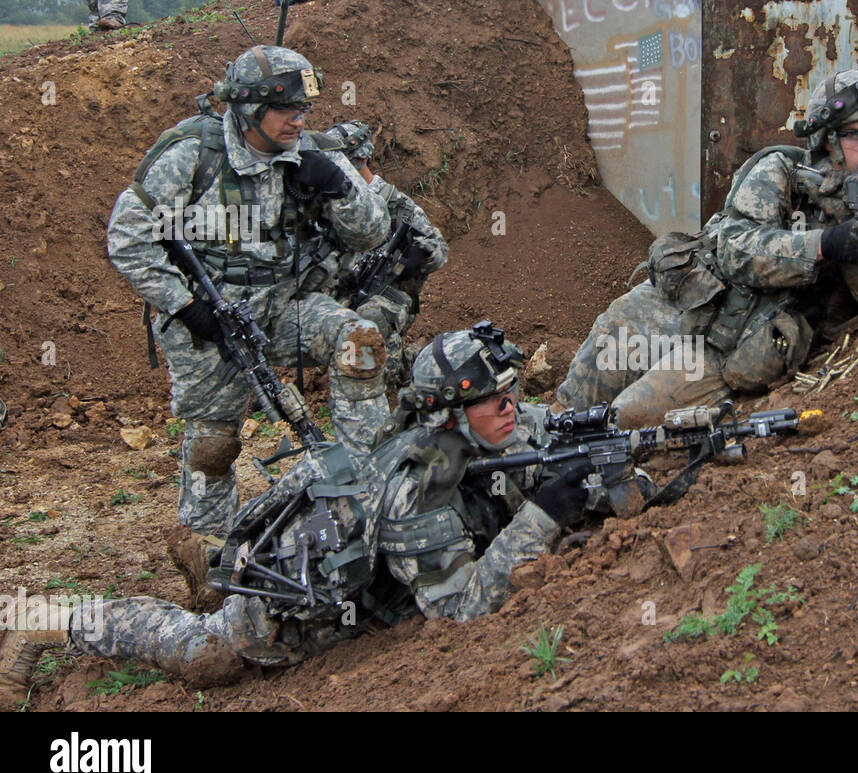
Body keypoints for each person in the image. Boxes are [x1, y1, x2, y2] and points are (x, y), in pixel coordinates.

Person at [0, 325, 594, 701]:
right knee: (207, 656)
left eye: (514, 389)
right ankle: (47, 619)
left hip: (364, 575)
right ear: (450, 415)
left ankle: (208, 562)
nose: (513, 406)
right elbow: (460, 611)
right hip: (295, 606)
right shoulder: (419, 489)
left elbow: (552, 436)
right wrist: (542, 518)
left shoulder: (495, 429)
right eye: (494, 398)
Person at [106, 45, 392, 543]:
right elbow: (128, 241)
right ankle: (211, 551)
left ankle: (372, 491)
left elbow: (373, 233)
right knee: (214, 445)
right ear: (248, 109)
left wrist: (337, 186)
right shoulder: (193, 155)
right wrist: (187, 307)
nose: (298, 121)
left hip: (284, 307)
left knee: (360, 345)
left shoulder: (313, 153)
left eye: (304, 110)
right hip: (208, 319)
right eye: (287, 110)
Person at [554, 69, 858, 427]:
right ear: (827, 139)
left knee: (628, 416)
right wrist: (824, 244)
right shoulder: (783, 170)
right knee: (584, 386)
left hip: (740, 339)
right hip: (693, 296)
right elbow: (737, 249)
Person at [312, 120, 448, 389]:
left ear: (360, 158)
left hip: (387, 297)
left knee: (371, 321)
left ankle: (410, 364)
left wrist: (418, 257)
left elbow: (438, 250)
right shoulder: (328, 203)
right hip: (341, 291)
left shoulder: (394, 204)